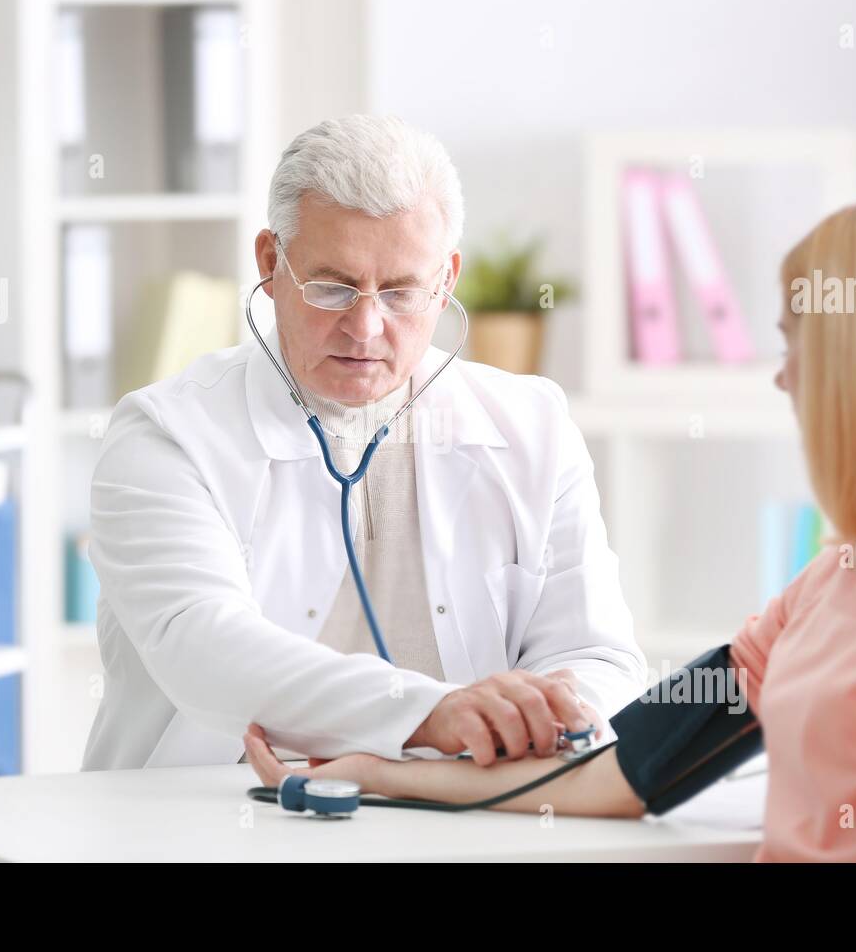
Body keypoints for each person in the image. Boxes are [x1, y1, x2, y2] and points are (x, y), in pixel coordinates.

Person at [245, 197, 856, 862]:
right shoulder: (844, 573)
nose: (782, 374)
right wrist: (383, 771)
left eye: (794, 345)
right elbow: (633, 767)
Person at [82, 115, 646, 770]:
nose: (367, 326)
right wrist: (433, 716)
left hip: (460, 818)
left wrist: (543, 721)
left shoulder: (532, 427)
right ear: (271, 262)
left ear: (448, 279)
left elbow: (599, 657)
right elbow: (203, 646)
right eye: (332, 286)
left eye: (403, 291)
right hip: (215, 824)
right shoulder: (168, 436)